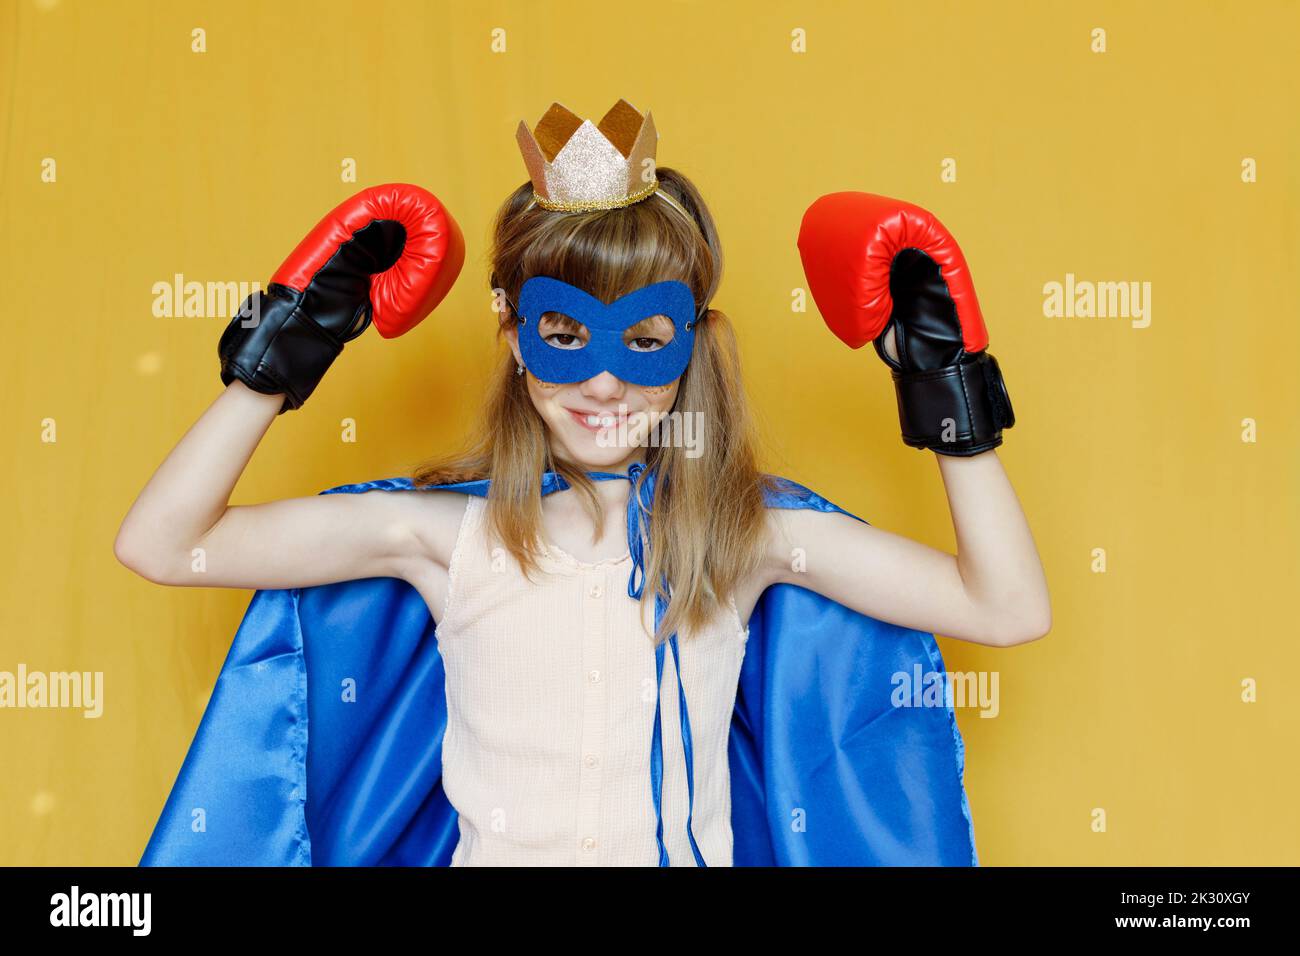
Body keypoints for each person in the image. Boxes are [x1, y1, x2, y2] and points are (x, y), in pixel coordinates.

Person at [119, 98, 1050, 867]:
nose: (604, 383)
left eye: (644, 342)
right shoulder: (442, 537)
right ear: (515, 345)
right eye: (565, 338)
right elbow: (161, 544)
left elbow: (1006, 608)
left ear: (692, 350)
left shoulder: (746, 538)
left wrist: (946, 388)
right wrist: (282, 353)